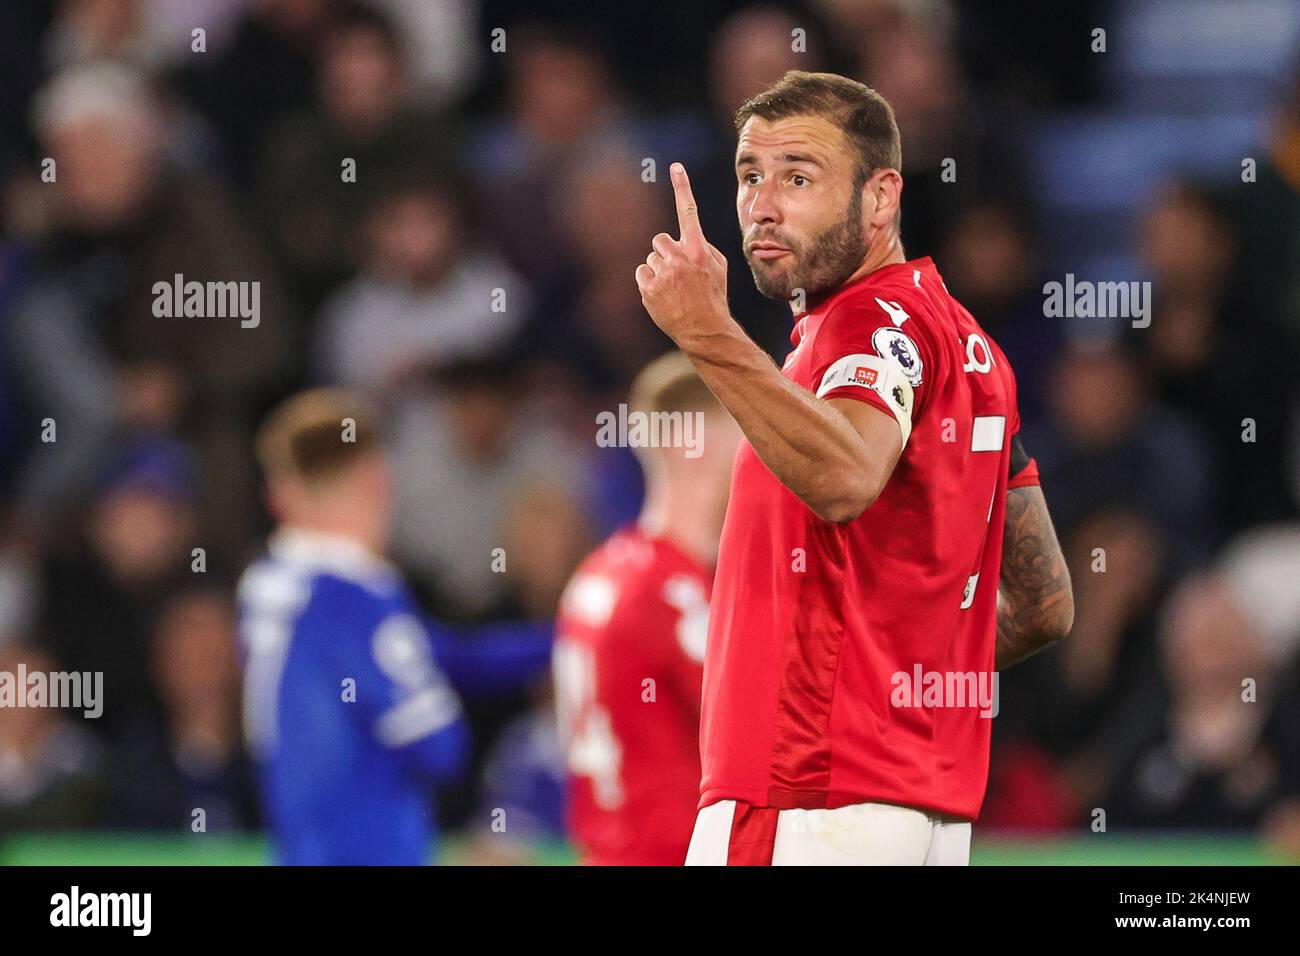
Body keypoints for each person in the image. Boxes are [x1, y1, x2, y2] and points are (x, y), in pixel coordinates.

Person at [635, 71, 1073, 865]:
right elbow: (1044, 605)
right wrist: (897, 690)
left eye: (798, 176)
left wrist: (706, 333)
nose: (761, 205)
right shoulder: (972, 348)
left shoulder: (867, 325)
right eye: (747, 176)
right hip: (919, 815)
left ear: (880, 198)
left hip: (805, 795)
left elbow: (844, 477)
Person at [236, 389, 550, 865]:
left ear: (280, 495)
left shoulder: (271, 587)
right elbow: (440, 748)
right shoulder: (353, 598)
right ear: (375, 480)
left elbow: (445, 654)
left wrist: (561, 640)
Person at [553, 352, 742, 864]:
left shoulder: (598, 575)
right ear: (694, 445)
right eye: (745, 429)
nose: (761, 453)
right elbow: (759, 733)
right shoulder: (672, 594)